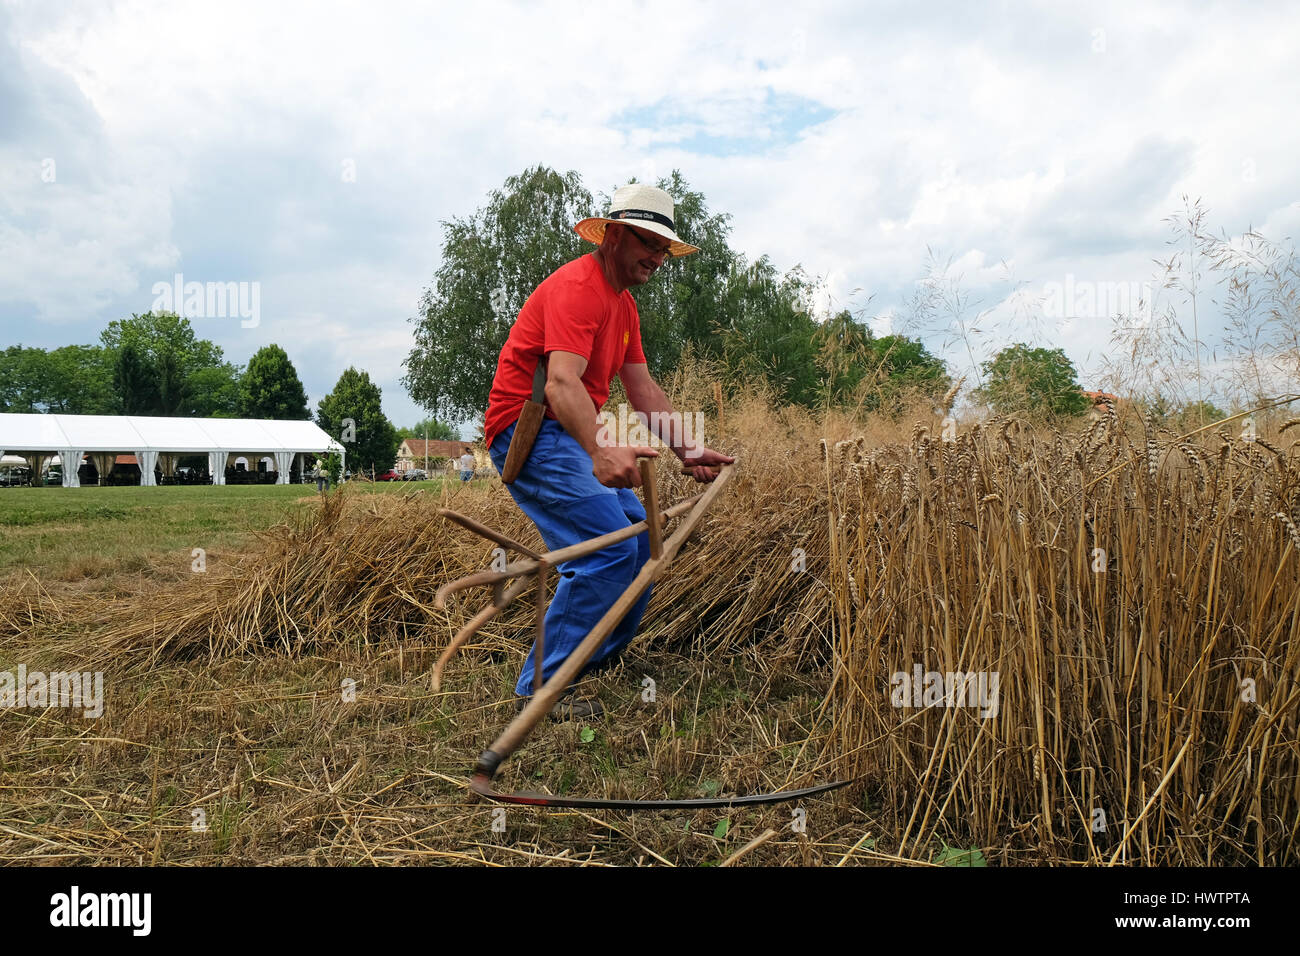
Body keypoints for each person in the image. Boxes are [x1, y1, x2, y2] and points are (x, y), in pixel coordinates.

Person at [483, 183, 734, 719]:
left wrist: (690, 449)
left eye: (665, 249)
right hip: (528, 431)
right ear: (614, 236)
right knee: (607, 550)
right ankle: (543, 689)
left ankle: (591, 660)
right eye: (648, 243)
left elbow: (642, 391)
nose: (657, 259)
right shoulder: (579, 288)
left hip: (568, 430)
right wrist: (600, 448)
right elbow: (559, 386)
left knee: (642, 544)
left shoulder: (623, 308)